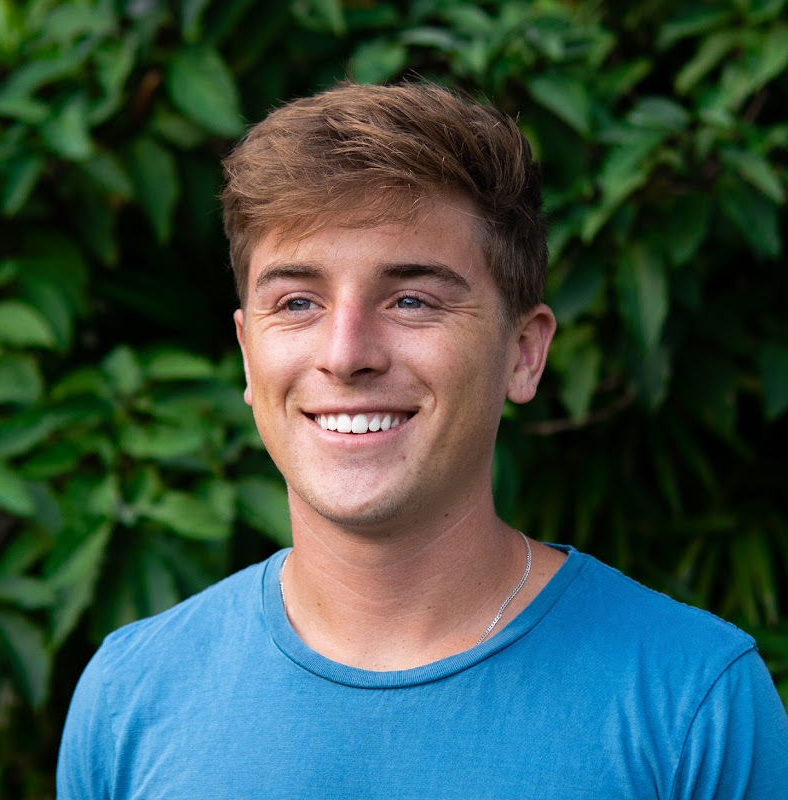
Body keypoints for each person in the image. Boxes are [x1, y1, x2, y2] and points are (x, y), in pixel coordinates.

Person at [57, 82, 788, 799]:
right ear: (249, 355)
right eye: (299, 302)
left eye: (411, 300)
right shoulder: (129, 697)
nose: (345, 354)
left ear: (523, 353)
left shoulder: (693, 702)